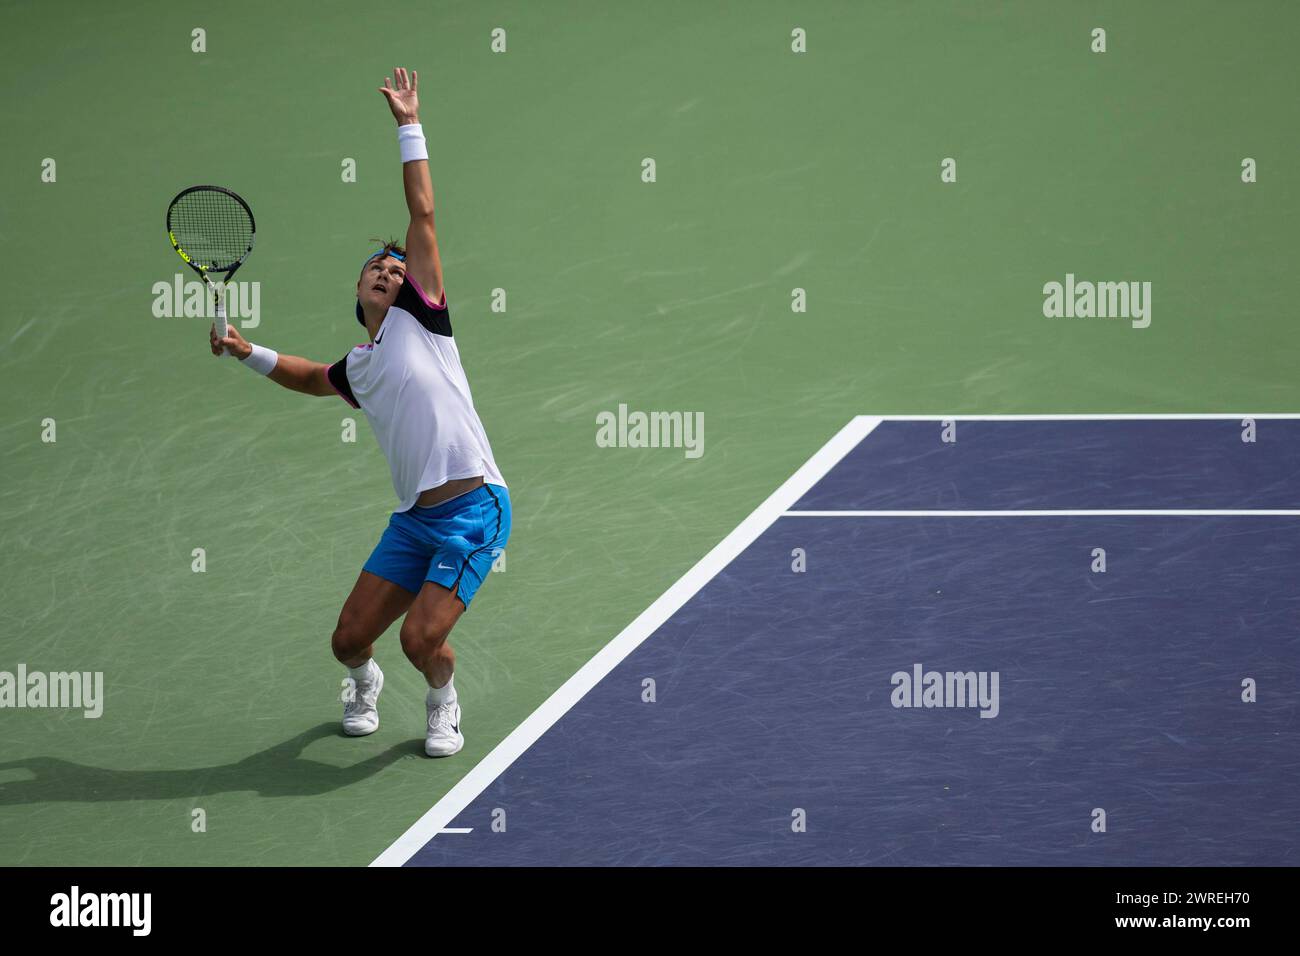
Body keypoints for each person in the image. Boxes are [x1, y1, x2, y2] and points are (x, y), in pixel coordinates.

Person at [209, 66, 509, 757]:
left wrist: (409, 126)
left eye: (399, 268)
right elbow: (313, 377)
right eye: (378, 264)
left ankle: (443, 700)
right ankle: (364, 682)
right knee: (349, 640)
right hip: (414, 522)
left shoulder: (425, 322)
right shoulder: (363, 366)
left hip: (473, 509)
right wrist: (245, 347)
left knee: (420, 639)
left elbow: (423, 216)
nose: (390, 269)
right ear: (358, 285)